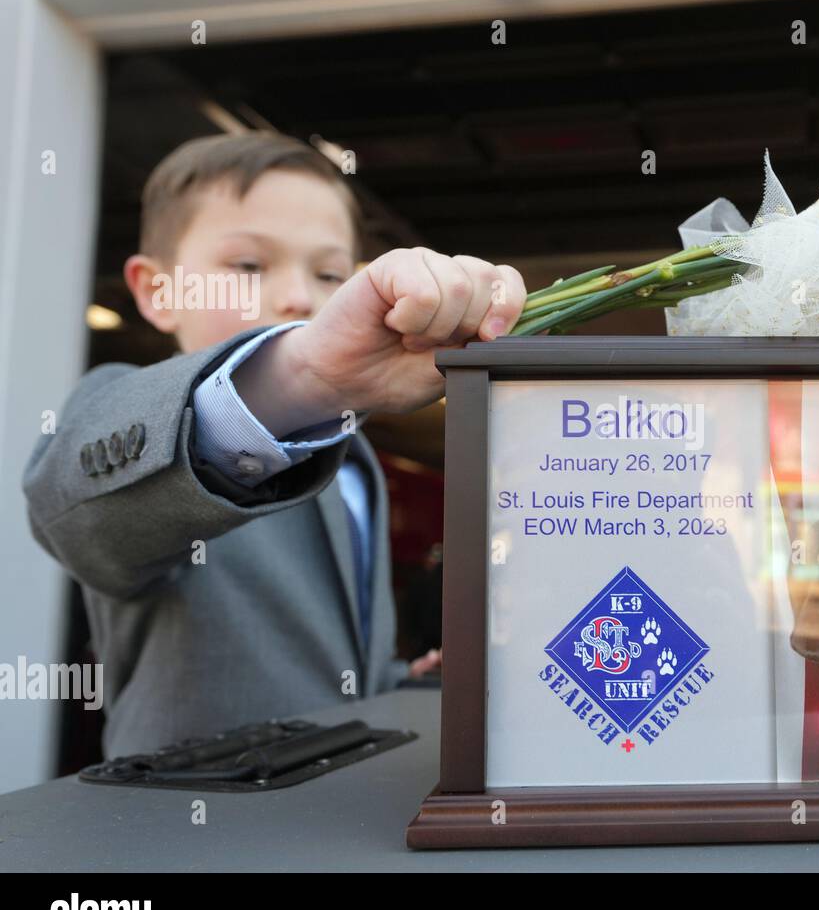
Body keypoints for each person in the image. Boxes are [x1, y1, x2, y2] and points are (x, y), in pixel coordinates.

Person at [23, 132, 524, 757]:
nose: (298, 296)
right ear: (157, 291)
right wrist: (298, 378)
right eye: (249, 265)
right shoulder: (125, 405)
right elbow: (72, 515)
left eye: (331, 273)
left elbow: (332, 673)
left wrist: (402, 684)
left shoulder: (354, 458)